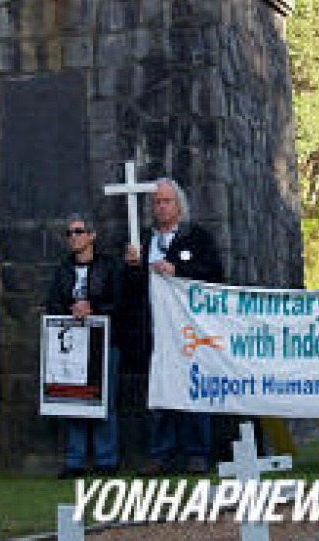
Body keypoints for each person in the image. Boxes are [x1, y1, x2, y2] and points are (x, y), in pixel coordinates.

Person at [125, 178, 225, 475]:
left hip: (189, 330)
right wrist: (131, 267)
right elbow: (130, 289)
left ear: (179, 205)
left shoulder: (197, 237)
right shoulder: (143, 241)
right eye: (156, 202)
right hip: (155, 329)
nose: (161, 207)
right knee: (160, 390)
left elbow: (215, 275)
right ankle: (161, 454)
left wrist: (178, 270)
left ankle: (197, 452)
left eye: (167, 201)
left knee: (194, 388)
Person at [44, 213, 124, 478]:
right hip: (72, 343)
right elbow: (52, 303)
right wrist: (71, 309)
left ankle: (106, 459)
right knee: (73, 399)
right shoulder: (63, 269)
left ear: (92, 235)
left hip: (104, 340)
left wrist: (94, 308)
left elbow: (119, 301)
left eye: (79, 231)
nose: (73, 237)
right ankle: (75, 460)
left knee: (106, 400)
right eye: (70, 233)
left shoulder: (109, 266)